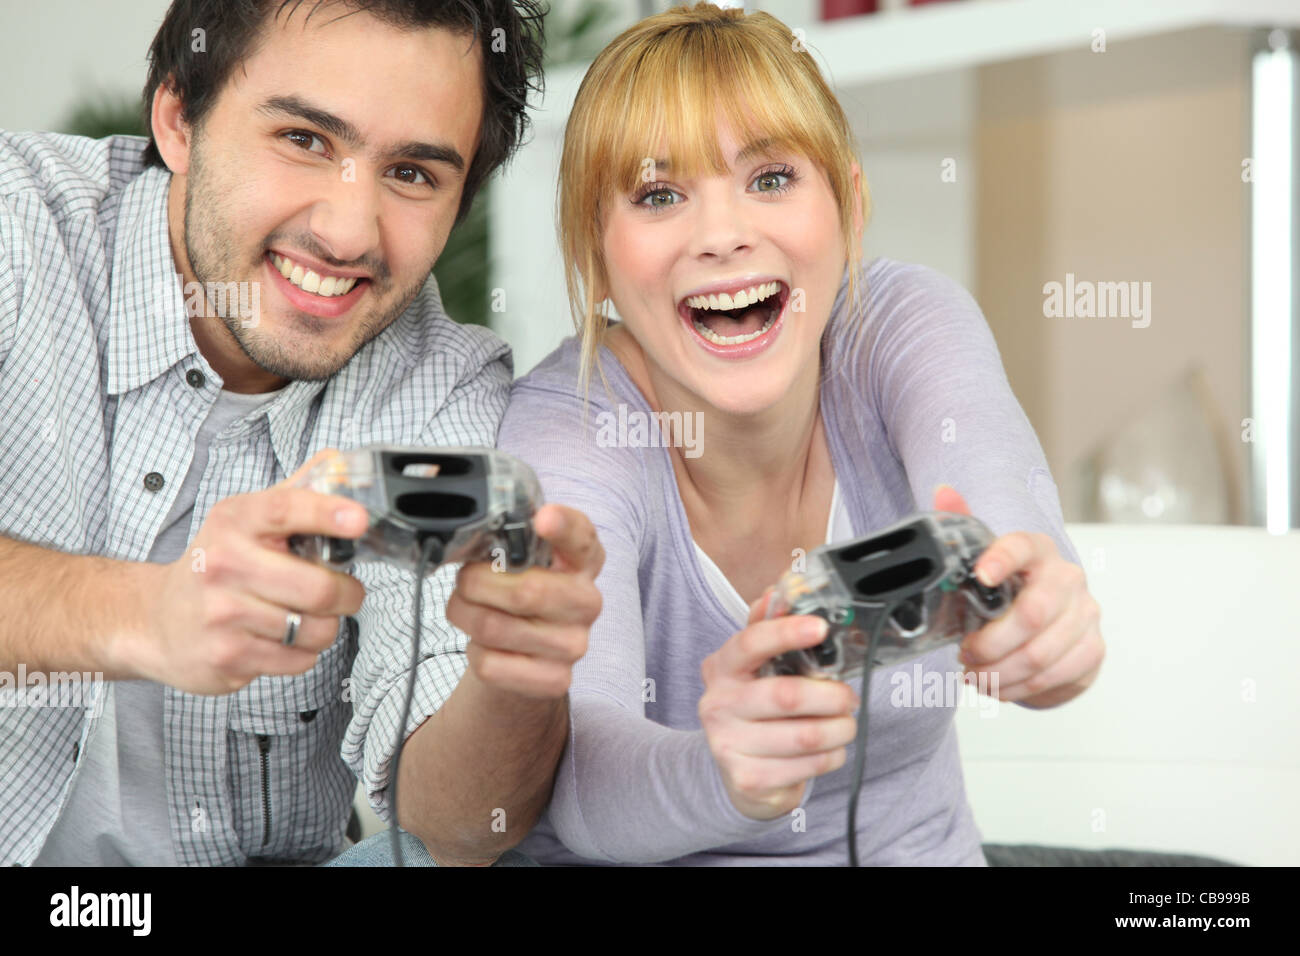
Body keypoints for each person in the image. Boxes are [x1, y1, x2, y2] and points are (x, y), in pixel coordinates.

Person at [497, 2, 1106, 865]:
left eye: (771, 178)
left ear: (850, 205)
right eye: (660, 194)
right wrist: (727, 774)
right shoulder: (569, 427)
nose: (724, 236)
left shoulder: (902, 326)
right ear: (594, 255)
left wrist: (1043, 626)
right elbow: (582, 791)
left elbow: (1011, 521)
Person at [0, 0, 603, 868]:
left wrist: (516, 677)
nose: (346, 232)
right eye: (304, 140)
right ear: (178, 117)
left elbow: (458, 832)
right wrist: (145, 614)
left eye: (412, 174)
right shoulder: (20, 231)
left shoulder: (437, 381)